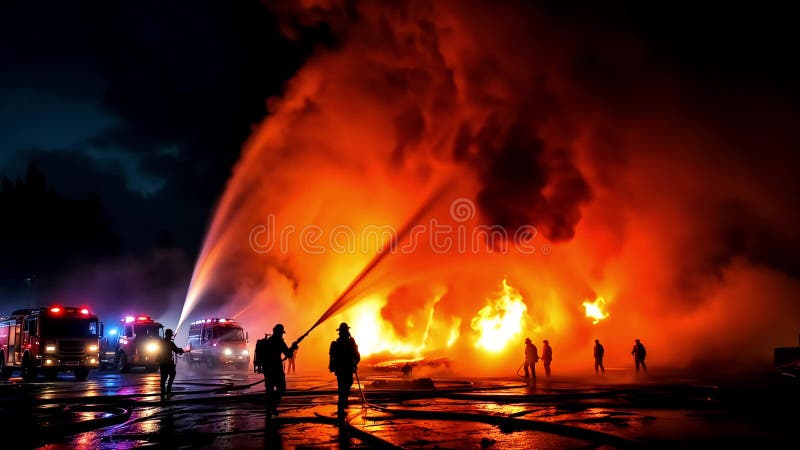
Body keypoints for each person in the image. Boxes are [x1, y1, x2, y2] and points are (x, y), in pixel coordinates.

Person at [259, 324, 298, 416]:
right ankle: (273, 406)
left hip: (267, 369)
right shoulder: (279, 342)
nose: (281, 335)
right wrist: (293, 346)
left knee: (269, 390)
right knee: (281, 388)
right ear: (279, 332)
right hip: (276, 368)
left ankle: (269, 410)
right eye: (281, 333)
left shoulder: (268, 341)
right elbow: (288, 354)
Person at [329, 322, 360, 419]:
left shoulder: (336, 343)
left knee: (342, 387)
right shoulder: (350, 342)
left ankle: (341, 405)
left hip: (341, 369)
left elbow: (332, 357)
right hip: (347, 369)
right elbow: (357, 355)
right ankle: (342, 405)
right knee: (346, 386)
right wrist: (355, 363)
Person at [159, 328, 185, 398]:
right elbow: (176, 350)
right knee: (172, 374)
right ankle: (168, 390)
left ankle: (163, 392)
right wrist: (184, 350)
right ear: (170, 335)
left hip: (162, 362)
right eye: (171, 335)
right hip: (168, 362)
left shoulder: (161, 342)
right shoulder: (170, 343)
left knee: (163, 378)